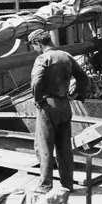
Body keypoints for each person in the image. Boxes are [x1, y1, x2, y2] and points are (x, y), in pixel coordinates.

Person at [28, 30, 90, 193]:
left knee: (44, 146)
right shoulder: (66, 56)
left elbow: (36, 82)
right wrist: (78, 95)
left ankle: (45, 185)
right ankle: (67, 184)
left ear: (39, 44)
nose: (35, 50)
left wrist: (38, 99)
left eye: (34, 46)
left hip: (48, 105)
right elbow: (83, 77)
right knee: (64, 147)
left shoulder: (43, 58)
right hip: (64, 105)